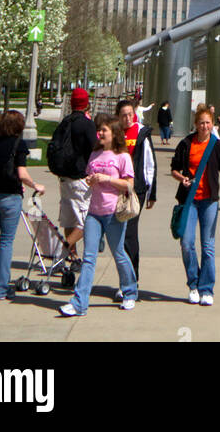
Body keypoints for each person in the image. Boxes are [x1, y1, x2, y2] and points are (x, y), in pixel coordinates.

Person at [58, 115, 137, 316]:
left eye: (104, 130)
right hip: (94, 212)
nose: (99, 133)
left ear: (114, 134)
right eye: (99, 130)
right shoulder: (95, 154)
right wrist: (91, 180)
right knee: (89, 258)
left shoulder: (122, 157)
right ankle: (79, 303)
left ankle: (129, 291)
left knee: (118, 253)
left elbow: (129, 184)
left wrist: (107, 179)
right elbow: (88, 176)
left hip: (114, 213)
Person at [0, 110, 45, 300]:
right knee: (6, 242)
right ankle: (0, 289)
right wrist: (36, 185)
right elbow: (21, 174)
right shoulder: (18, 144)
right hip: (9, 198)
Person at [171, 103, 220, 306]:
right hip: (189, 201)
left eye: (208, 123)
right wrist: (182, 178)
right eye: (201, 123)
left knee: (208, 247)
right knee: (187, 244)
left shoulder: (218, 146)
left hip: (209, 202)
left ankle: (207, 289)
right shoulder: (186, 143)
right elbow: (174, 169)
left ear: (212, 124)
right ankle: (193, 285)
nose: (204, 126)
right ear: (195, 124)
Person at [50, 87, 98, 267]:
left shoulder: (64, 122)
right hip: (81, 178)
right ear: (86, 103)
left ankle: (72, 257)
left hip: (64, 178)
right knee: (86, 222)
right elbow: (95, 149)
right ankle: (62, 250)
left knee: (70, 219)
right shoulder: (87, 124)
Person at [117, 98, 157, 290]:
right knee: (118, 236)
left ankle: (132, 280)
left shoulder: (141, 134)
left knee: (129, 234)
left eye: (129, 115)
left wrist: (151, 192)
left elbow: (150, 164)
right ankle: (124, 279)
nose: (127, 119)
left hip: (136, 190)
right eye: (123, 115)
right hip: (116, 190)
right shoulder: (114, 135)